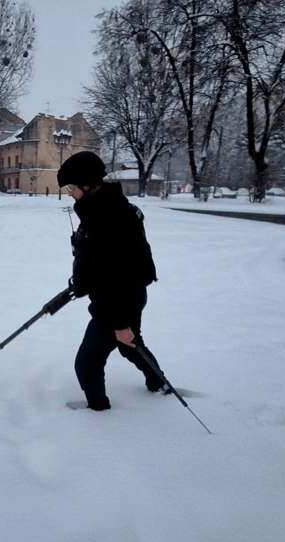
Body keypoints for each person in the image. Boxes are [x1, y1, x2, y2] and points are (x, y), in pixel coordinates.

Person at [57, 151, 168, 411]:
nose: (70, 193)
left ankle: (99, 414)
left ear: (88, 185)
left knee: (87, 362)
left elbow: (123, 273)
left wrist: (120, 322)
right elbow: (100, 262)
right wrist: (81, 280)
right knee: (129, 345)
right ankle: (158, 383)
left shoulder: (111, 217)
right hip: (121, 297)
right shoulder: (100, 209)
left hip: (118, 302)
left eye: (72, 187)